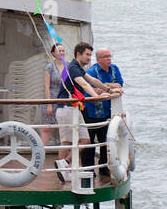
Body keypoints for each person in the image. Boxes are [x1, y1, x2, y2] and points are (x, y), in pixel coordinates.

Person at [54, 42, 108, 178]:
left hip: (75, 108)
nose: (89, 58)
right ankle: (63, 172)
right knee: (66, 142)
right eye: (87, 54)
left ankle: (65, 163)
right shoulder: (72, 67)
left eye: (90, 55)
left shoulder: (77, 67)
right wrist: (96, 97)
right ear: (78, 54)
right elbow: (84, 84)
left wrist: (109, 90)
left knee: (85, 140)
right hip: (66, 107)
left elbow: (92, 80)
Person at [84, 46, 124, 175]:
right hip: (92, 111)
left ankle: (103, 167)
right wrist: (109, 86)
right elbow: (89, 89)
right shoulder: (92, 71)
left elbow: (120, 84)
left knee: (105, 141)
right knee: (90, 141)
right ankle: (88, 168)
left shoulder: (114, 69)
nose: (109, 59)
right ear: (99, 59)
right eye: (106, 57)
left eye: (110, 56)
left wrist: (104, 85)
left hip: (108, 111)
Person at [41, 42, 66, 146]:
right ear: (53, 53)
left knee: (64, 129)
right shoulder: (49, 67)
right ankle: (41, 151)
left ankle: (64, 156)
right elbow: (46, 86)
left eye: (63, 51)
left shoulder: (68, 66)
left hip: (64, 100)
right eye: (58, 51)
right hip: (51, 98)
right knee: (46, 128)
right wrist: (49, 104)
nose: (61, 53)